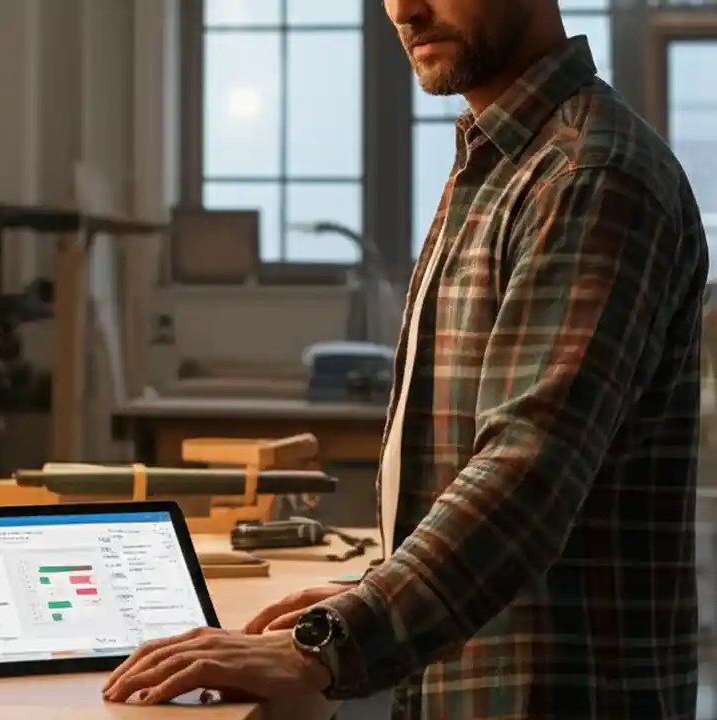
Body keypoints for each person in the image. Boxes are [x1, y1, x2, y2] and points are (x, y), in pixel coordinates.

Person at [104, 0, 709, 716]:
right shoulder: (501, 166)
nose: (403, 9)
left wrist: (321, 646)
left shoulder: (587, 176)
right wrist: (374, 588)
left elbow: (524, 481)